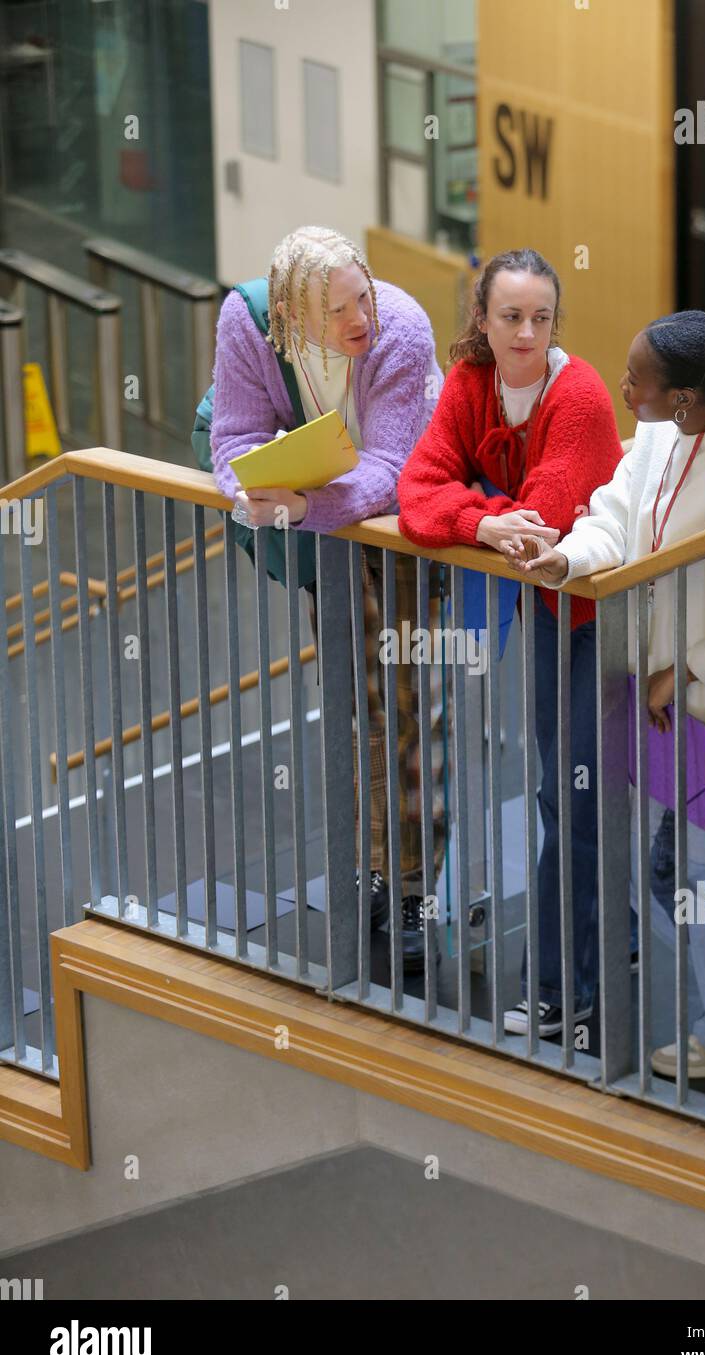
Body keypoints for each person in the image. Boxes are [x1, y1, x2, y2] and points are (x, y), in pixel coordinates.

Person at [508, 310, 705, 1076]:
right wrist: (567, 559)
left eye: (635, 377)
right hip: (690, 711)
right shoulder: (656, 438)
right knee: (680, 874)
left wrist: (684, 669)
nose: (621, 385)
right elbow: (614, 515)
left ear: (683, 396)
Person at [397, 248, 622, 1037]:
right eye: (510, 317)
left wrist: (488, 517)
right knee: (573, 789)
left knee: (579, 794)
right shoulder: (469, 384)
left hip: (604, 609)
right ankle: (610, 933)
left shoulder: (583, 398)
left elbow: (547, 518)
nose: (526, 334)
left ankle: (566, 992)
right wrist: (484, 520)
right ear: (482, 322)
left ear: (556, 322)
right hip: (550, 605)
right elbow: (416, 492)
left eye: (541, 318)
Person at [210, 225, 447, 971]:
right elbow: (235, 438)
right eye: (337, 311)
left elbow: (392, 463)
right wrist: (252, 489)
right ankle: (374, 866)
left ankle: (413, 889)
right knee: (355, 705)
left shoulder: (401, 329)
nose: (359, 321)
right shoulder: (247, 325)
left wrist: (303, 508)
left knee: (408, 708)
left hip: (401, 528)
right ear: (290, 320)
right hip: (327, 527)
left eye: (363, 296)